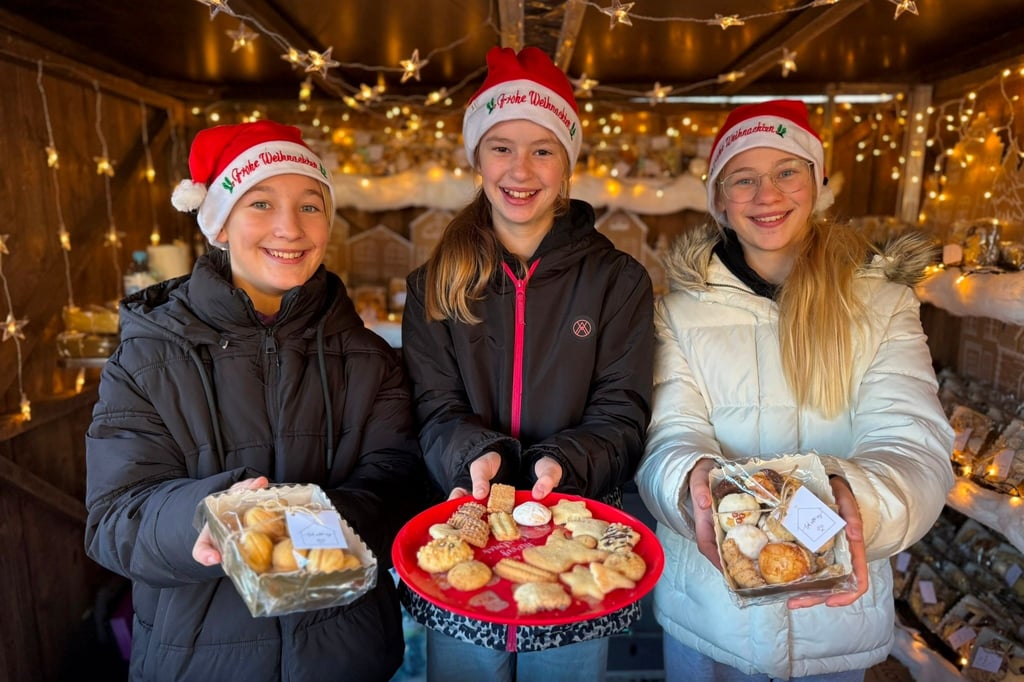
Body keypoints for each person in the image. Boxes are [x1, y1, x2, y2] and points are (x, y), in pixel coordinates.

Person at [84, 120, 425, 682]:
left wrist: (303, 525)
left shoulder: (368, 358)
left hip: (344, 656)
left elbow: (399, 480)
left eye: (310, 206)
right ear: (218, 225)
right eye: (261, 202)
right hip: (197, 660)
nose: (289, 228)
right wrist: (205, 517)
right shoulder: (147, 360)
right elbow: (113, 518)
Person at [634, 99, 956, 681]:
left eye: (787, 171)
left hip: (832, 624)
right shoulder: (677, 314)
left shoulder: (881, 305)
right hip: (710, 615)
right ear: (720, 201)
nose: (767, 194)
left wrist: (858, 504)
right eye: (744, 179)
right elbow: (671, 433)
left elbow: (913, 441)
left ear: (818, 183)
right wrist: (690, 485)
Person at [399, 46, 655, 681]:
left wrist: (562, 462)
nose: (521, 168)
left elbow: (622, 413)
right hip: (469, 527)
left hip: (577, 546)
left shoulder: (617, 281)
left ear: (568, 162)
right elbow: (432, 407)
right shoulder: (436, 281)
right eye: (501, 146)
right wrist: (473, 456)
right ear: (477, 158)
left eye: (543, 148)